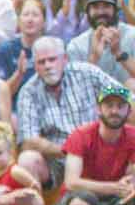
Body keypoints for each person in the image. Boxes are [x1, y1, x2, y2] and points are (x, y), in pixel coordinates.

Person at [16, 38, 116, 189]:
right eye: (41, 62)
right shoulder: (28, 92)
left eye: (52, 59)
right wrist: (72, 151)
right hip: (59, 160)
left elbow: (125, 98)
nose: (48, 66)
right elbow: (29, 141)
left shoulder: (87, 72)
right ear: (35, 66)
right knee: (27, 159)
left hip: (100, 150)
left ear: (64, 59)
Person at [64, 80, 135, 205]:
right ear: (98, 109)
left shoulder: (133, 136)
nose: (114, 111)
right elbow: (71, 182)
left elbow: (132, 175)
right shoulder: (81, 135)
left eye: (120, 106)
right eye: (109, 105)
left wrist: (131, 185)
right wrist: (113, 187)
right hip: (81, 198)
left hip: (115, 201)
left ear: (129, 110)